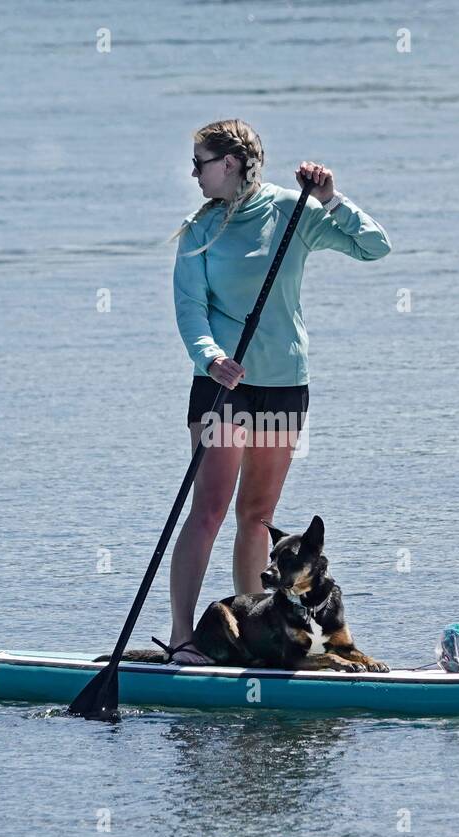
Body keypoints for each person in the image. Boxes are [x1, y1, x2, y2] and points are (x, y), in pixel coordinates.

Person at [165, 118, 391, 664]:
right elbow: (191, 310)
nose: (193, 172)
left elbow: (374, 247)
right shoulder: (199, 232)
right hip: (224, 386)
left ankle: (260, 640)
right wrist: (211, 357)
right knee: (210, 511)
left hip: (285, 385)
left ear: (231, 164)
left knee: (258, 515)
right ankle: (181, 639)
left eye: (200, 162)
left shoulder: (291, 211)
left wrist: (332, 197)